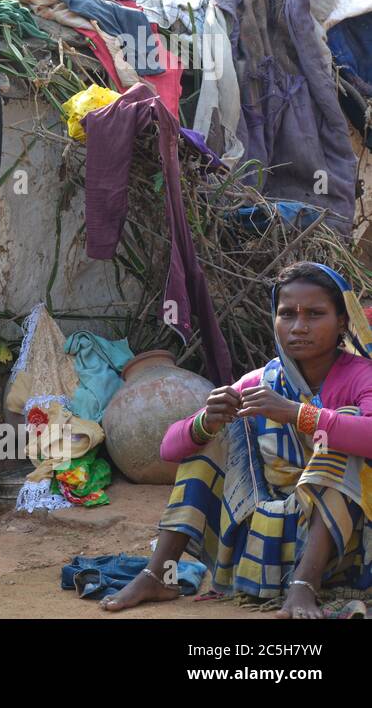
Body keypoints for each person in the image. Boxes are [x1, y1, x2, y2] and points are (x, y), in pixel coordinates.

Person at [101, 261, 372, 618]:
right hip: (271, 536)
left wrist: (297, 414)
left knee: (344, 434)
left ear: (341, 322)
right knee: (212, 436)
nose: (299, 327)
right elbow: (169, 450)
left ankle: (305, 585)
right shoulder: (263, 381)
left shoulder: (361, 374)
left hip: (345, 539)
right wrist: (205, 420)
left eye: (315, 314)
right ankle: (158, 573)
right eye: (287, 314)